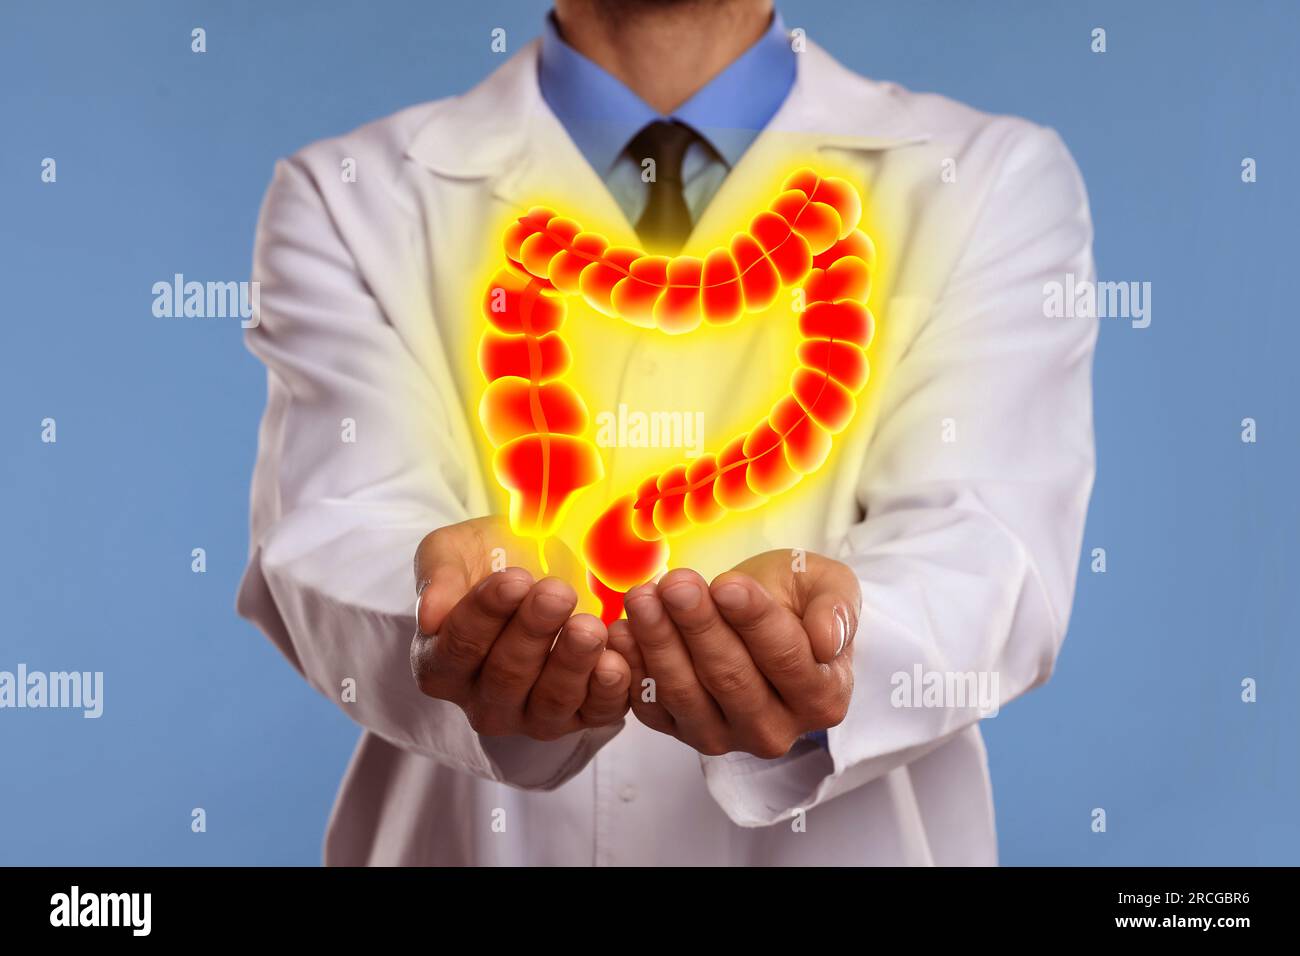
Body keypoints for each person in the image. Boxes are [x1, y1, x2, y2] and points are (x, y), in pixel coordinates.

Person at [237, 0, 1097, 865]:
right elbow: (334, 528)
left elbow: (986, 548)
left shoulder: (989, 178)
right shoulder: (345, 195)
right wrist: (459, 619)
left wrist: (826, 650)